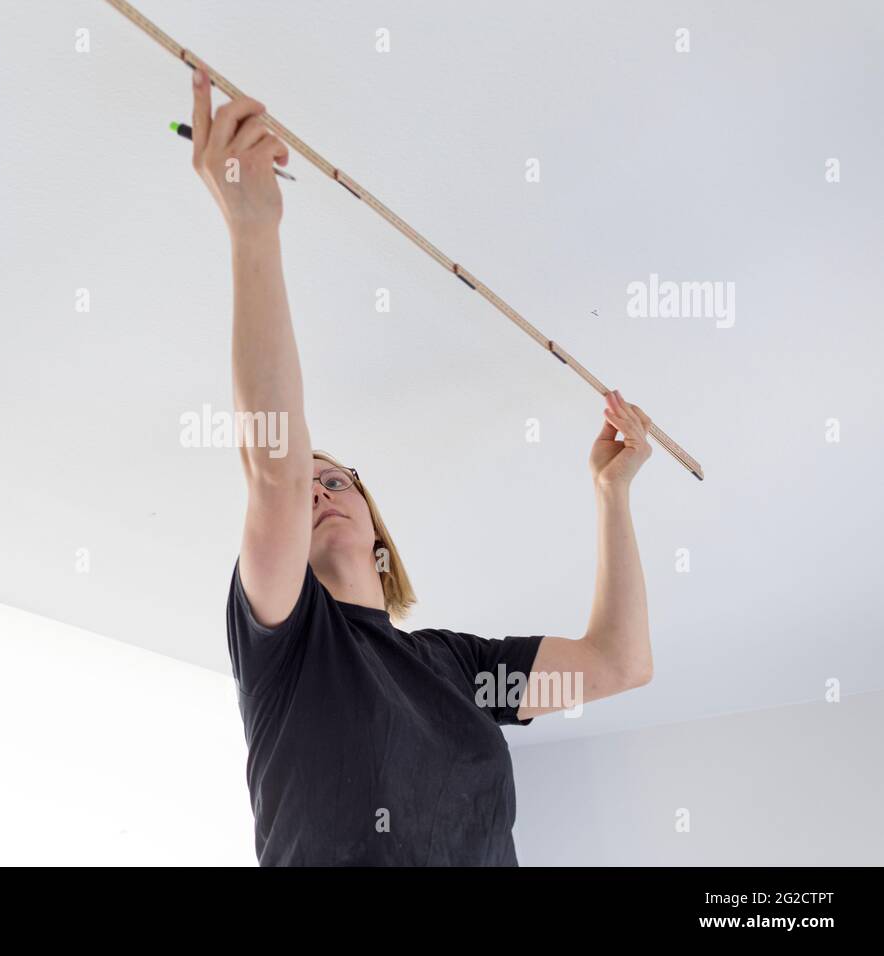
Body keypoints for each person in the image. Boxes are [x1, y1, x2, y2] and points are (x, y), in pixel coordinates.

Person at [188, 67, 656, 866]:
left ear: (378, 537)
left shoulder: (462, 671)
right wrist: (252, 226)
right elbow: (273, 468)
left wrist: (612, 493)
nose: (317, 489)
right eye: (309, 483)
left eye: (337, 481)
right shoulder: (288, 644)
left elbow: (619, 664)